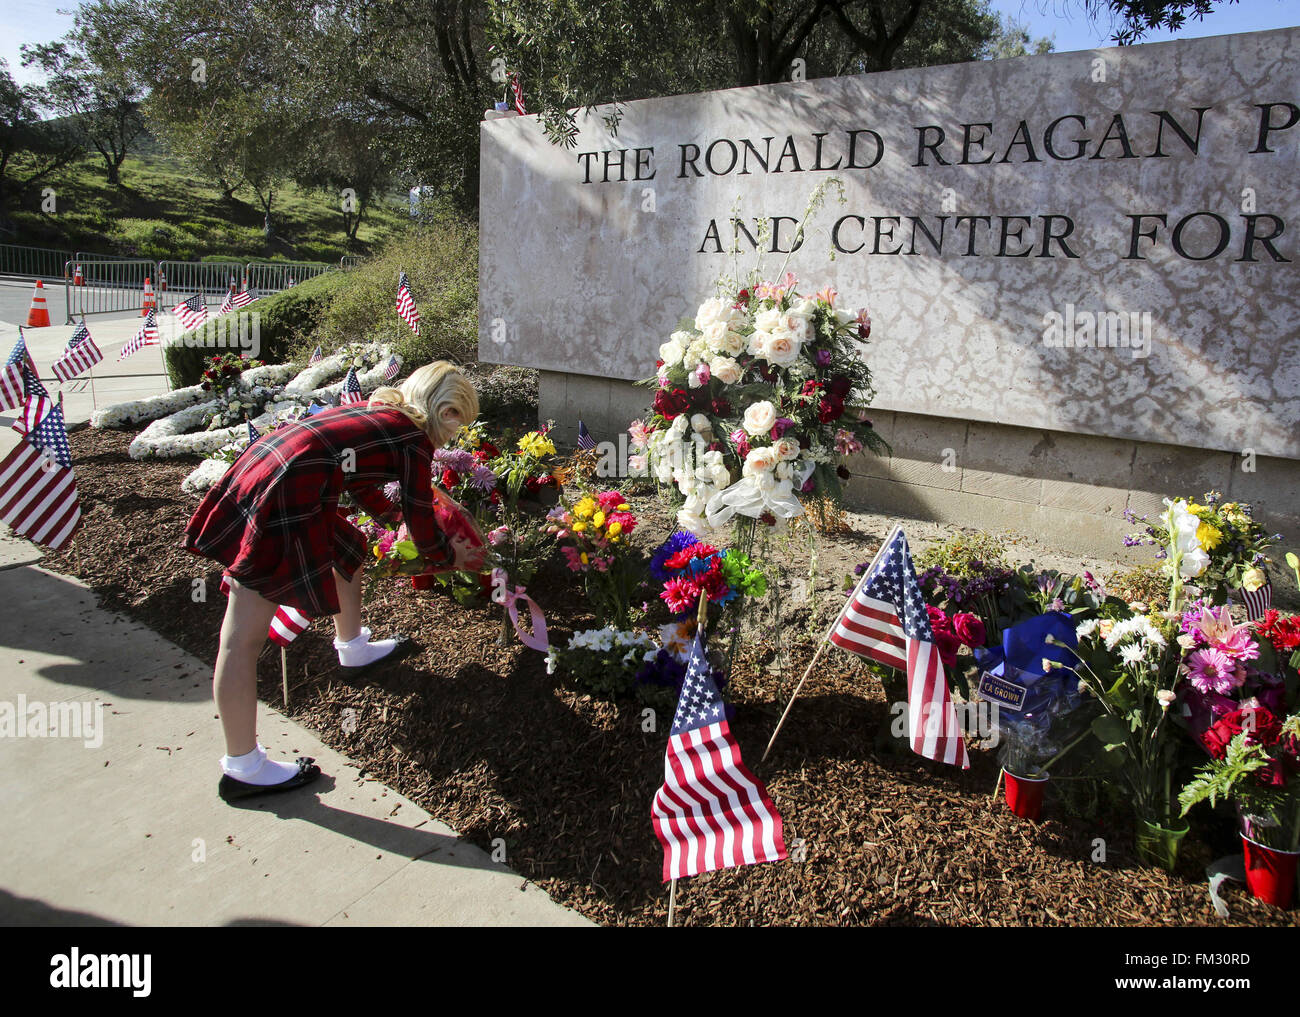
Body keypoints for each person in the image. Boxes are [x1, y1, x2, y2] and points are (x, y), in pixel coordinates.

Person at [183, 361, 485, 802]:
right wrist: (451, 556)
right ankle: (243, 767)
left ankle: (353, 647)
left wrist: (392, 517)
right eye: (460, 421)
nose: (456, 434)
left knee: (348, 549)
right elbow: (423, 525)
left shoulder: (380, 413)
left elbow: (361, 484)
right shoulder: (412, 439)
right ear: (447, 412)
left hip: (269, 466)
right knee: (240, 639)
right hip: (287, 491)